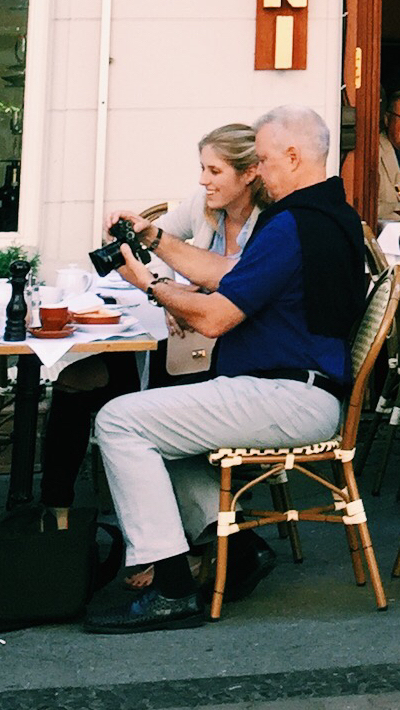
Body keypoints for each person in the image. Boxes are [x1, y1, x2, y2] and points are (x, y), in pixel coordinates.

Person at [86, 106, 366, 633]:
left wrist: (147, 284)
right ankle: (238, 552)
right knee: (156, 434)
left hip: (287, 394)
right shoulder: (327, 214)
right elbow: (228, 274)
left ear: (292, 156)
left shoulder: (293, 225)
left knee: (120, 421)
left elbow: (214, 318)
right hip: (299, 388)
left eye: (262, 159)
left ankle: (170, 587)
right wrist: (154, 240)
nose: (258, 170)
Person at [42, 125, 266, 519]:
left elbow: (240, 290)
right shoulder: (204, 204)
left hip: (220, 357)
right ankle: (55, 517)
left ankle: (179, 532)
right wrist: (132, 235)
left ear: (248, 173)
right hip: (173, 346)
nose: (203, 180)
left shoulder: (270, 225)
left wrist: (170, 294)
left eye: (214, 171)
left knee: (128, 412)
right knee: (73, 381)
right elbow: (161, 240)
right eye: (202, 168)